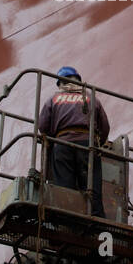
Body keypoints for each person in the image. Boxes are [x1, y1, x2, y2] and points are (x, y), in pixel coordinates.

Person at [37, 67, 110, 217]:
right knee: (92, 186)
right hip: (87, 145)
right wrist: (99, 144)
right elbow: (104, 127)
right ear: (78, 80)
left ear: (60, 83)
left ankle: (66, 219)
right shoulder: (91, 98)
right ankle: (96, 219)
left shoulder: (53, 100)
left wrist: (54, 139)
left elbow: (43, 126)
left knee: (64, 187)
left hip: (62, 146)